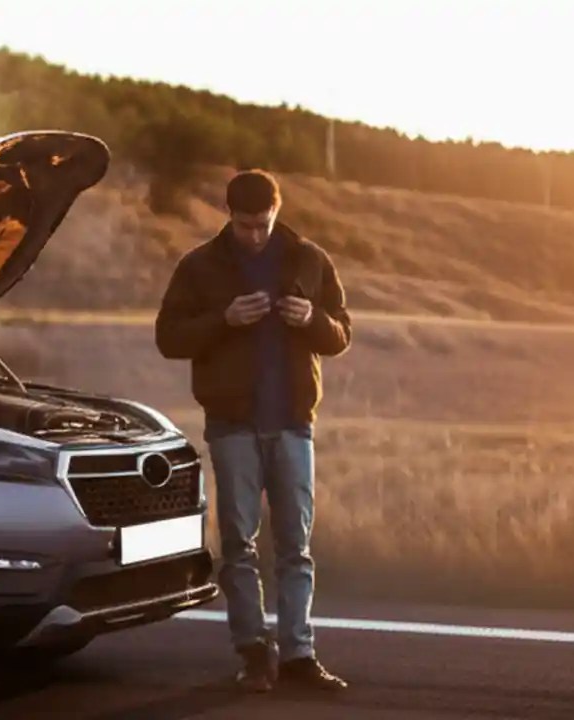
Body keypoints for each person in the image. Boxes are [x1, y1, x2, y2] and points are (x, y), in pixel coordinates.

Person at [155, 169, 351, 693]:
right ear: (229, 215)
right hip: (231, 426)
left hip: (293, 424)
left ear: (277, 211)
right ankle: (251, 653)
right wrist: (224, 319)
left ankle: (299, 656)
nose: (256, 235)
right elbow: (168, 337)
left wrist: (312, 318)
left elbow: (340, 334)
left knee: (296, 546)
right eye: (245, 226)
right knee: (238, 545)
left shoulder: (309, 259)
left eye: (264, 224)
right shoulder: (198, 266)